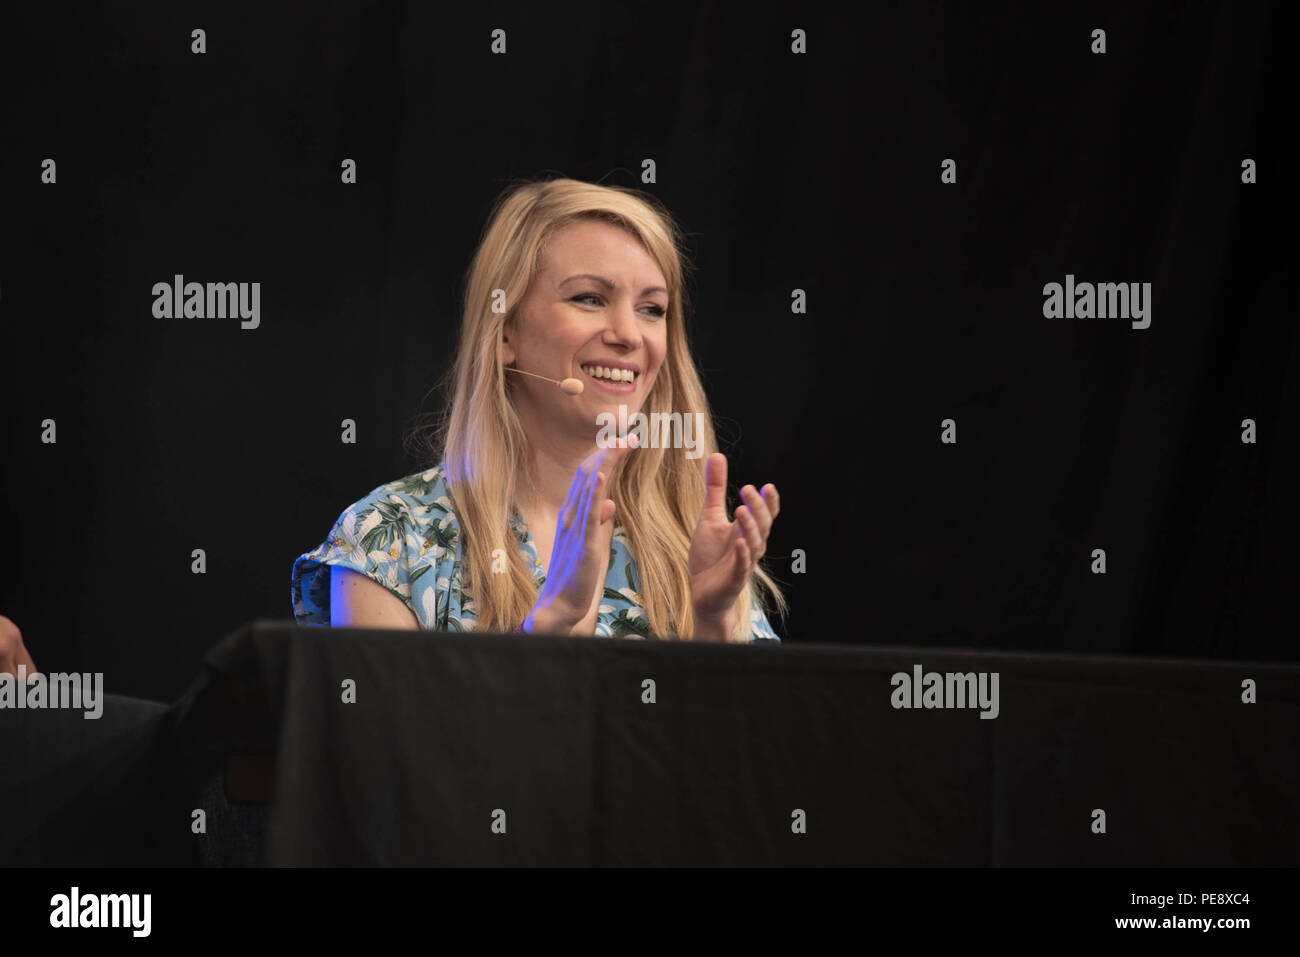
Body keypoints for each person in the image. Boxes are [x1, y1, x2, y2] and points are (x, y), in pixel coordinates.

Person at [292, 177, 787, 642]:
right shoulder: (389, 537)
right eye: (590, 298)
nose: (630, 335)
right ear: (505, 331)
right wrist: (555, 623)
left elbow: (750, 734)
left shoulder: (695, 542)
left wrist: (714, 624)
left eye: (652, 309)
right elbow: (392, 735)